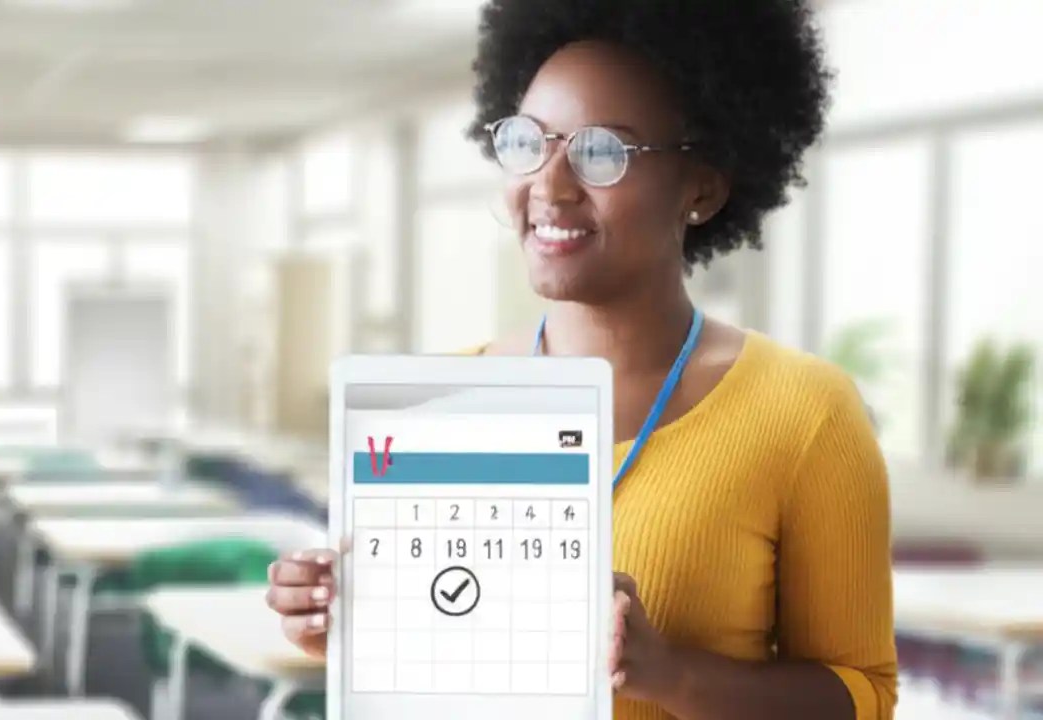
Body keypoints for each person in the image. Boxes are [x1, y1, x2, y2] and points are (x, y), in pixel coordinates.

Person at [266, 1, 897, 719]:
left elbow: (864, 695)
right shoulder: (435, 404)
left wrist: (672, 677)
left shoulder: (805, 411)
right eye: (527, 142)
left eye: (603, 151)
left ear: (704, 186)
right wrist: (346, 625)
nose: (550, 185)